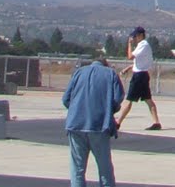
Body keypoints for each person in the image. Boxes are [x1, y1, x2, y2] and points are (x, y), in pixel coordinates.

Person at [63, 54, 124, 187]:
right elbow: (118, 98)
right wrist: (108, 110)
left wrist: (77, 110)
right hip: (99, 125)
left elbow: (66, 99)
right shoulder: (111, 74)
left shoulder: (78, 73)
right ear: (105, 64)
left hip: (76, 124)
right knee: (104, 168)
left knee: (77, 169)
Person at [116, 26, 161, 130]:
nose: (134, 38)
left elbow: (130, 56)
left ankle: (118, 122)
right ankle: (156, 122)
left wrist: (129, 44)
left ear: (141, 35)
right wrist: (128, 68)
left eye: (135, 36)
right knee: (148, 100)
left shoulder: (143, 45)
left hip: (139, 76)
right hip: (142, 74)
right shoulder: (143, 46)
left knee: (129, 99)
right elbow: (139, 62)